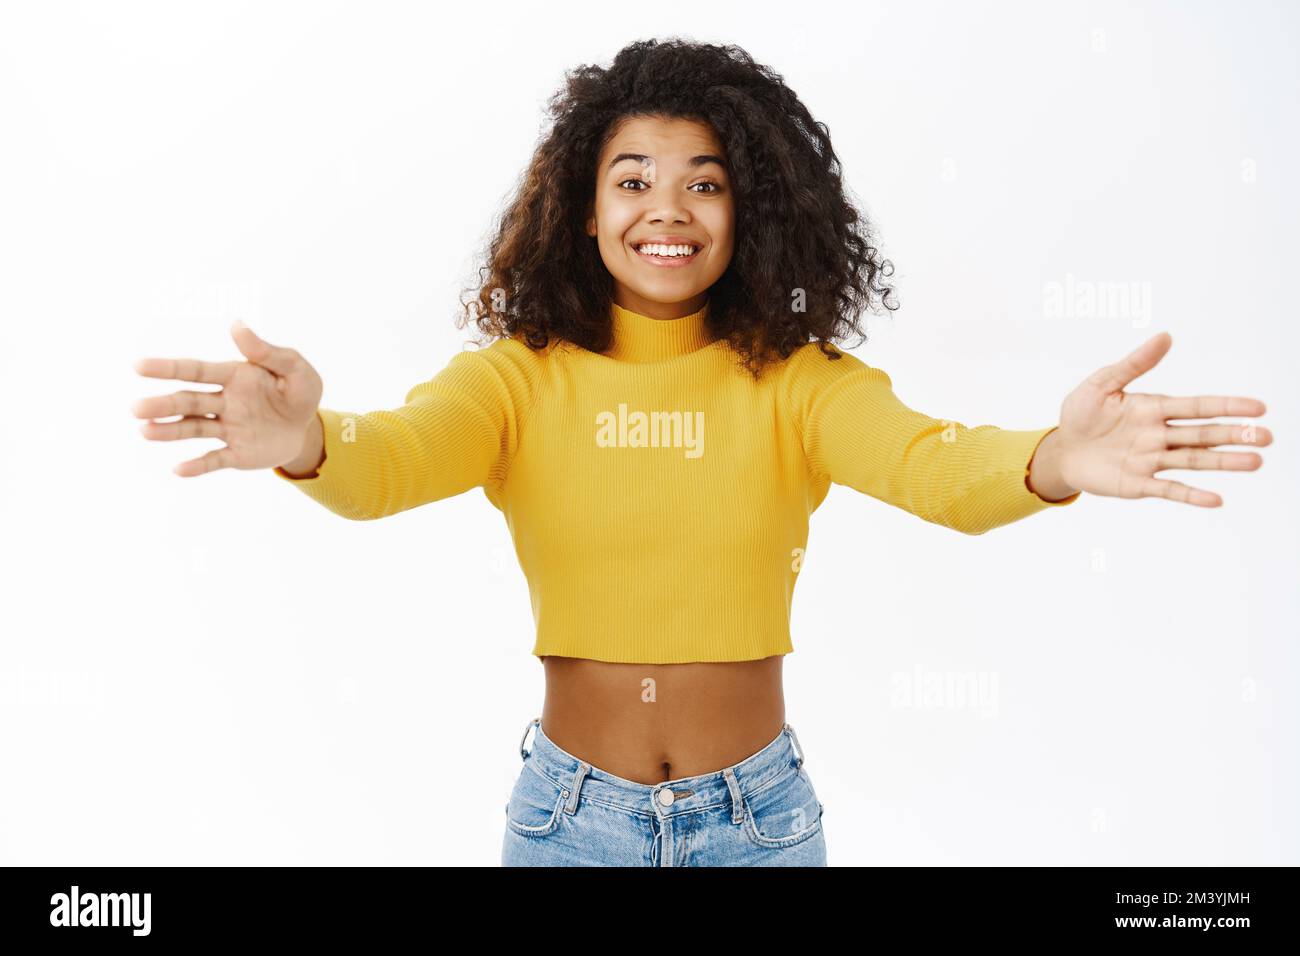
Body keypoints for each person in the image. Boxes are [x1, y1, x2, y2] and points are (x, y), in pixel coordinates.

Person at [130, 39, 1272, 866]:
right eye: (631, 180)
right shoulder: (514, 378)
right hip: (567, 821)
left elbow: (936, 467)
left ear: (749, 213)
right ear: (583, 209)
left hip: (759, 823)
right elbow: (395, 462)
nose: (664, 210)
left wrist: (1056, 458)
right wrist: (309, 442)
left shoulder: (796, 383)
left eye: (705, 184)